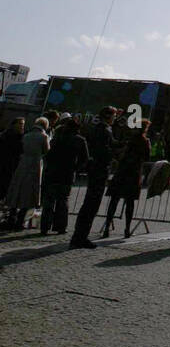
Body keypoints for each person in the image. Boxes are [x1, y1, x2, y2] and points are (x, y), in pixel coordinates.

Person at [71, 106, 116, 248]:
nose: (115, 118)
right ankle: (81, 237)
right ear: (108, 116)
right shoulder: (105, 130)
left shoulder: (96, 128)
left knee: (88, 204)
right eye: (113, 116)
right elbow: (105, 150)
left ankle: (79, 235)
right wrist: (113, 155)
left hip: (94, 168)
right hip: (100, 169)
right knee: (92, 205)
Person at [101, 120, 152, 240]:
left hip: (122, 171)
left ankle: (107, 228)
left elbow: (121, 153)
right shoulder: (145, 141)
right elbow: (147, 157)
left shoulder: (129, 140)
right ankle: (127, 229)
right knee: (129, 203)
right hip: (134, 173)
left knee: (114, 200)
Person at [41, 114, 89, 235]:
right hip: (67, 173)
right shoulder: (80, 140)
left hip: (52, 172)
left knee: (49, 201)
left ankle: (45, 226)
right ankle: (60, 226)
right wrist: (75, 168)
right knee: (63, 200)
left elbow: (48, 154)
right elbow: (85, 159)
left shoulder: (57, 138)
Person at [4, 117, 50, 231]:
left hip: (23, 164)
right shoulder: (44, 136)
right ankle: (21, 221)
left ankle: (11, 218)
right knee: (29, 193)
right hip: (35, 165)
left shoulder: (26, 135)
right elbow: (46, 150)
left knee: (17, 191)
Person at [0, 118, 25, 205]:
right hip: (6, 163)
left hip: (12, 164)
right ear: (14, 124)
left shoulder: (20, 136)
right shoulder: (7, 135)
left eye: (23, 124)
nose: (22, 126)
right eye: (20, 124)